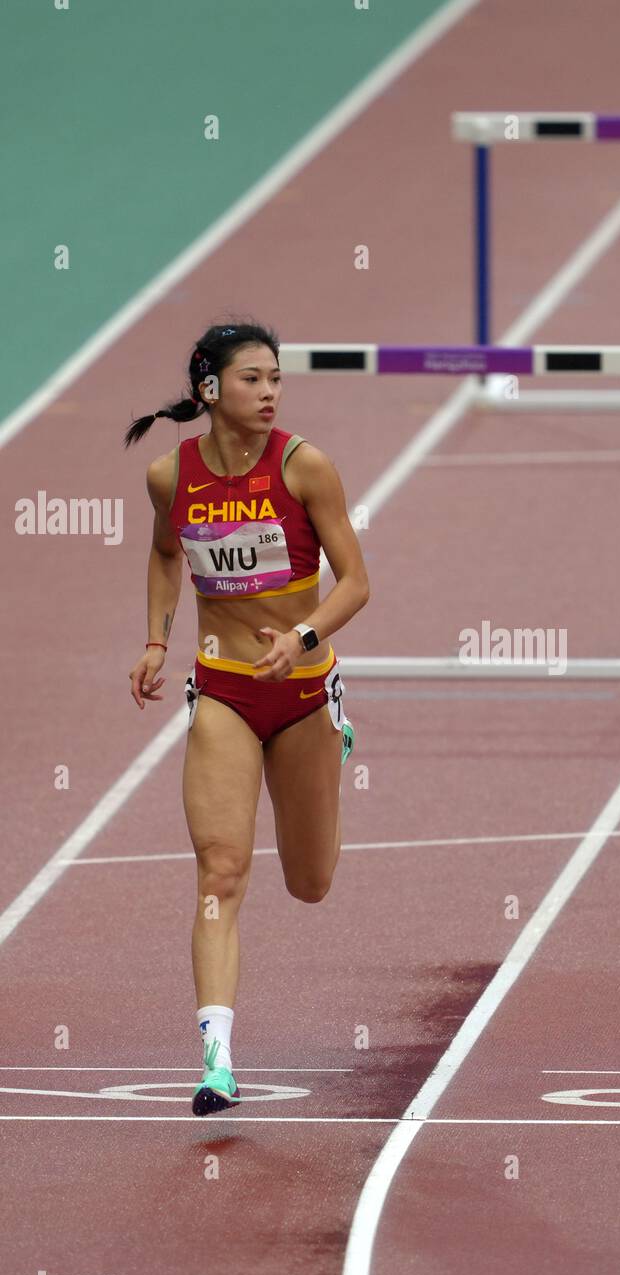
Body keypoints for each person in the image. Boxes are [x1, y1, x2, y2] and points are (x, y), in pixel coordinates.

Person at [124, 321, 369, 1113]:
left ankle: (339, 737)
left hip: (300, 694)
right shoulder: (171, 475)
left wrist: (301, 638)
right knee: (221, 871)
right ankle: (217, 1060)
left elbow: (357, 583)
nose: (269, 393)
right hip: (224, 690)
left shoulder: (307, 468)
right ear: (209, 389)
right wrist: (159, 639)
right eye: (253, 379)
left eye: (276, 380)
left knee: (311, 883)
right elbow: (167, 553)